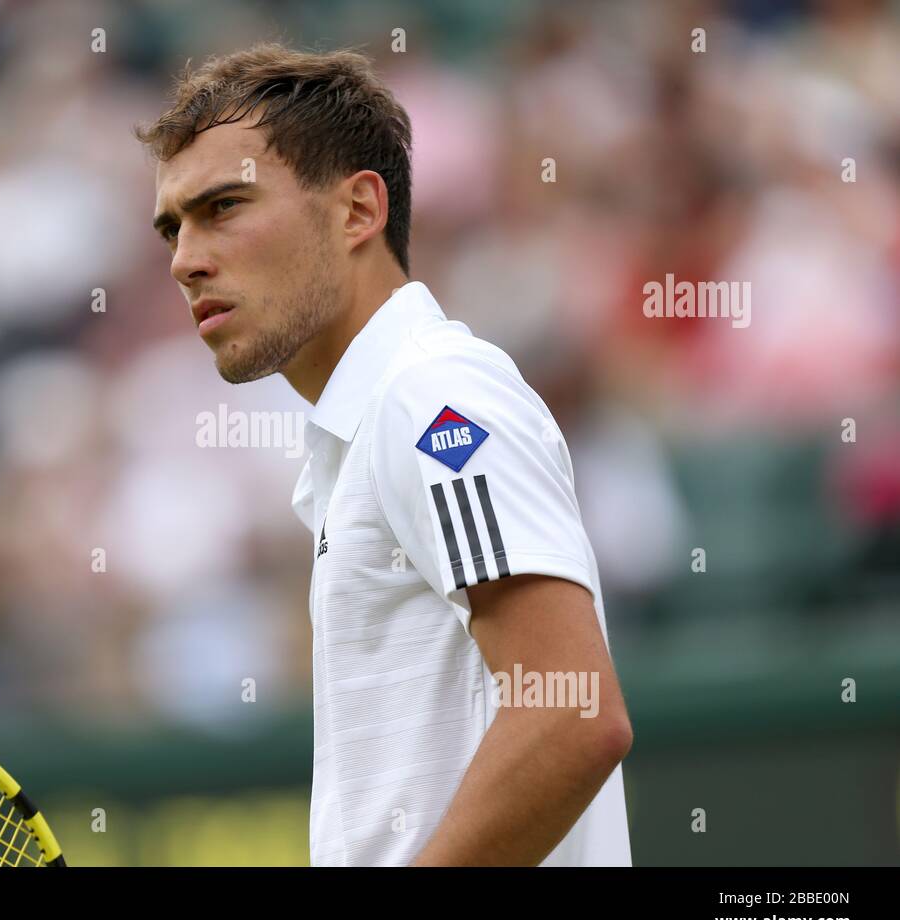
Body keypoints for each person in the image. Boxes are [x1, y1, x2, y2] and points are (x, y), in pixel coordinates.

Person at [136, 42, 632, 866]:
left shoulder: (431, 397)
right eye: (172, 227)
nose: (185, 259)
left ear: (358, 211)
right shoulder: (372, 429)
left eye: (222, 206)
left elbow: (573, 712)